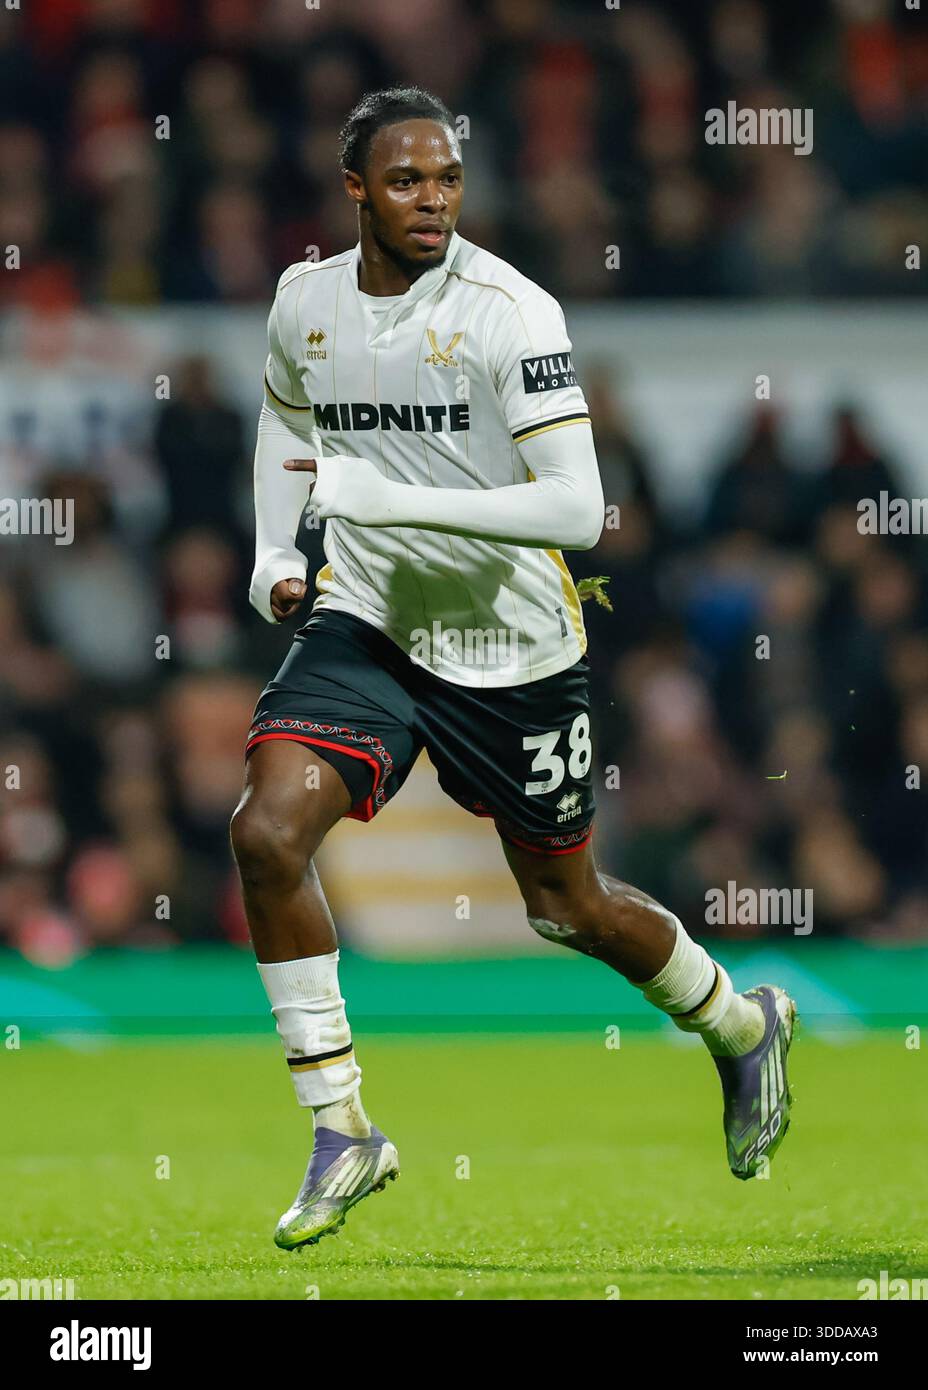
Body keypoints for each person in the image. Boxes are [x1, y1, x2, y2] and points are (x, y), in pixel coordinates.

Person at [230, 87, 796, 1250]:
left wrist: (379, 494)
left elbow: (579, 509)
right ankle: (342, 1128)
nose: (430, 199)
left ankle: (740, 1027)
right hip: (371, 616)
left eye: (445, 178)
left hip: (509, 643)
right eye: (404, 181)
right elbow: (287, 423)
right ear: (355, 191)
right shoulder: (306, 301)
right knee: (265, 829)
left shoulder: (510, 312)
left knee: (566, 907)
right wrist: (274, 548)